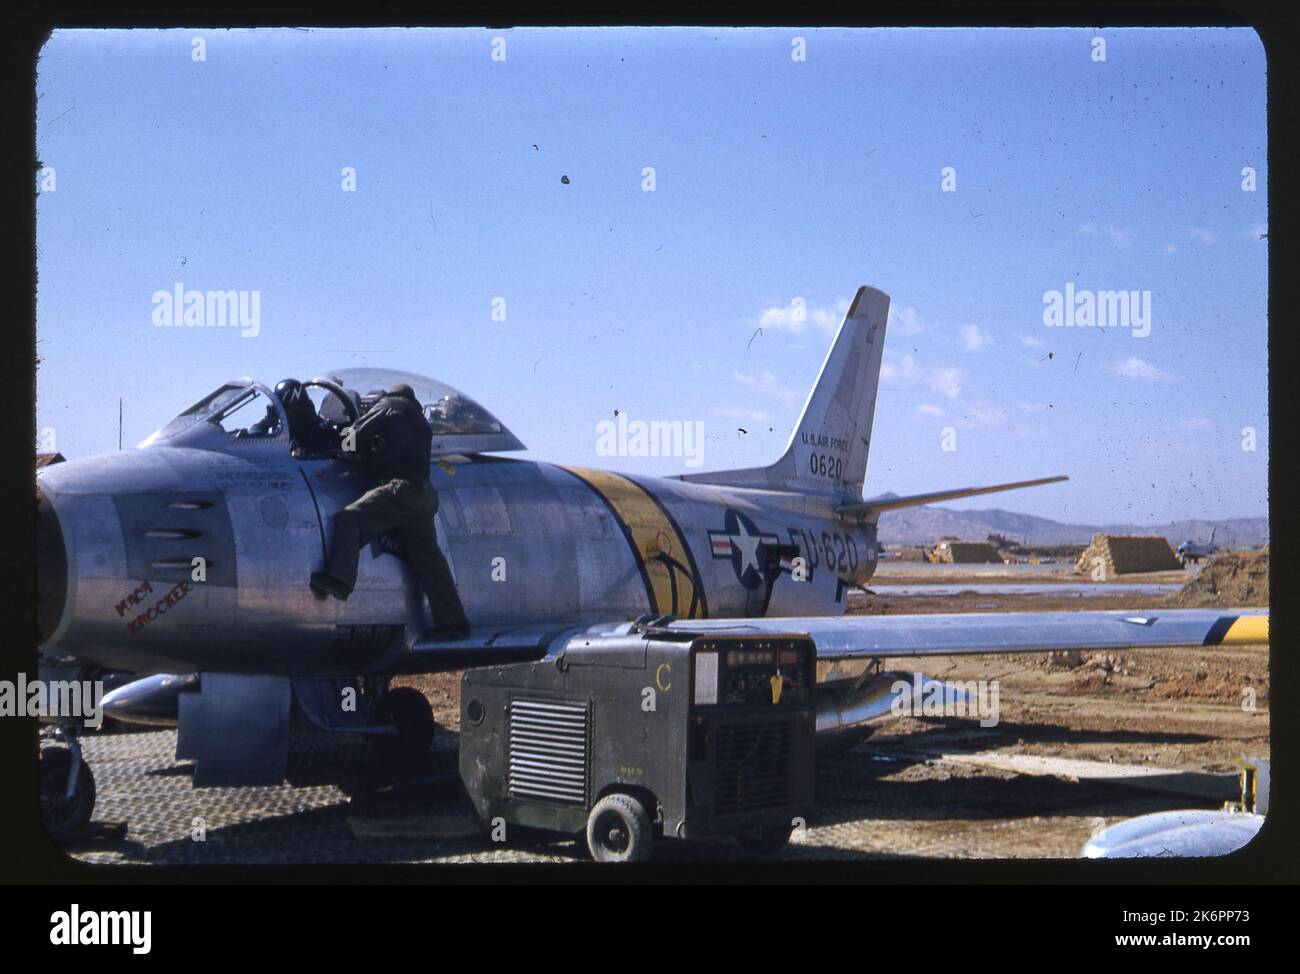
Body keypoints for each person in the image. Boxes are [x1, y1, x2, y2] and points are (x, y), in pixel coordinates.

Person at [309, 384, 470, 640]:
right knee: (430, 561)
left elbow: (356, 434)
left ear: (393, 395)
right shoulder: (421, 422)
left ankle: (340, 581)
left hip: (398, 490)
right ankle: (454, 623)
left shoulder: (391, 406)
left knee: (349, 519)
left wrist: (338, 447)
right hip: (423, 494)